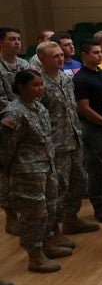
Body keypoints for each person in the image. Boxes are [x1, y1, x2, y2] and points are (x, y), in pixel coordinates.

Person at [0, 70, 65, 272]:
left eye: (41, 84)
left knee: (50, 207)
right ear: (22, 87)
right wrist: (6, 171)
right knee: (33, 213)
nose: (41, 88)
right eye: (35, 85)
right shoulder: (14, 113)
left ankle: (48, 243)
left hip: (46, 166)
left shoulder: (39, 107)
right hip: (27, 172)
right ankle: (34, 255)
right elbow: (5, 147)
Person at [36, 41, 96, 237]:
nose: (60, 58)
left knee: (78, 182)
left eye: (61, 55)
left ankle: (70, 219)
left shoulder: (65, 79)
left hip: (74, 139)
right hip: (55, 144)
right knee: (57, 188)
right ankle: (53, 231)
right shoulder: (38, 83)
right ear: (42, 59)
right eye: (55, 56)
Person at [73, 38, 102, 223]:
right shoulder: (80, 78)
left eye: (100, 52)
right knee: (96, 168)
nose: (100, 55)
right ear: (84, 55)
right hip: (94, 127)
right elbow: (83, 108)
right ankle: (99, 206)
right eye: (95, 52)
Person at [0, 26, 29, 236]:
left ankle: (25, 214)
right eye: (12, 39)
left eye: (19, 39)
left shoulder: (23, 65)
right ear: (1, 42)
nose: (17, 42)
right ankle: (10, 215)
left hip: (26, 122)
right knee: (7, 172)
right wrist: (21, 113)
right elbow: (1, 100)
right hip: (6, 123)